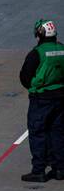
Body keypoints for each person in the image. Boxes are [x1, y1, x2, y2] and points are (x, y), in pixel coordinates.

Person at [19, 18, 64, 182]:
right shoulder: (62, 49)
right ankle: (59, 168)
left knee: (38, 132)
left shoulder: (37, 53)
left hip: (41, 97)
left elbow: (24, 76)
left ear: (40, 33)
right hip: (60, 96)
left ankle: (39, 170)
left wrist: (34, 85)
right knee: (57, 132)